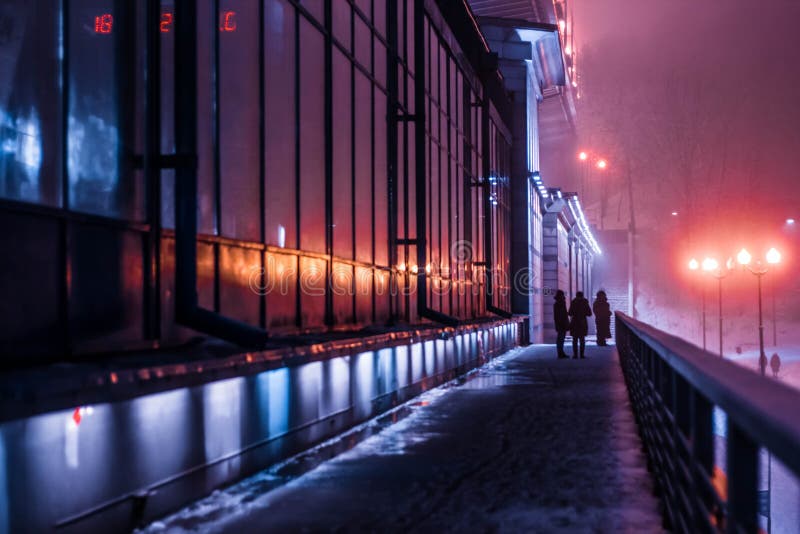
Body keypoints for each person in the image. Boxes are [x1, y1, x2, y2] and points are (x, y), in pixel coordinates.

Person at [568, 291, 592, 359]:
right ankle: (582, 355)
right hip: (582, 323)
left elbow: (570, 313)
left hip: (575, 323)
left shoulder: (573, 302)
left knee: (575, 340)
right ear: (582, 296)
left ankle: (575, 355)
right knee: (582, 339)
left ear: (576, 296)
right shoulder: (585, 302)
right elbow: (589, 313)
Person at [553, 290, 570, 359]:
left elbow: (558, 315)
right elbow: (562, 314)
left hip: (560, 323)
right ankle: (560, 353)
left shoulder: (558, 303)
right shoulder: (560, 303)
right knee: (561, 338)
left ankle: (560, 352)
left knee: (561, 338)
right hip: (562, 323)